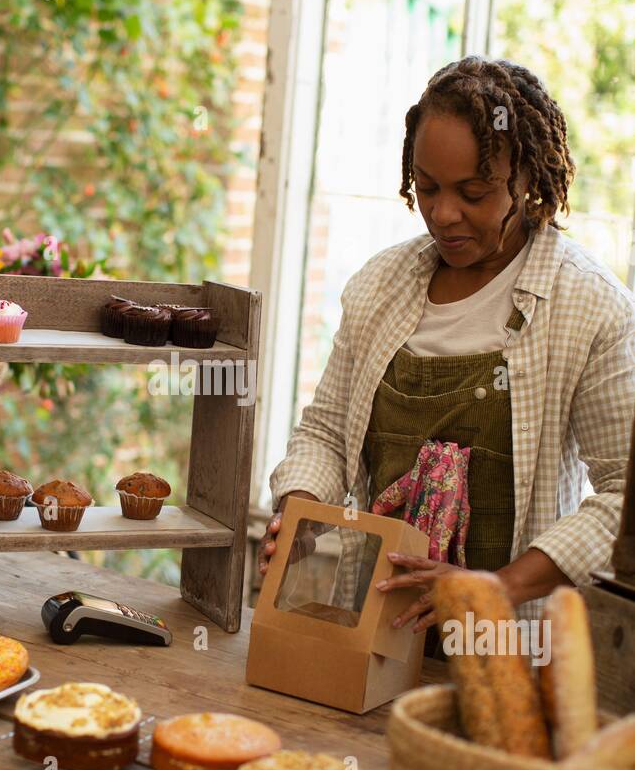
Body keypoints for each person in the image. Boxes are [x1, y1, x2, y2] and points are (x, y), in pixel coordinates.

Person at [261, 56, 635, 642]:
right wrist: (300, 515)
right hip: (372, 633)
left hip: (510, 648)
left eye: (474, 192)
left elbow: (623, 499)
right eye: (427, 187)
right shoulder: (381, 286)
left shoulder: (591, 308)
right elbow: (327, 435)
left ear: (529, 180)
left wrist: (498, 587)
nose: (443, 213)